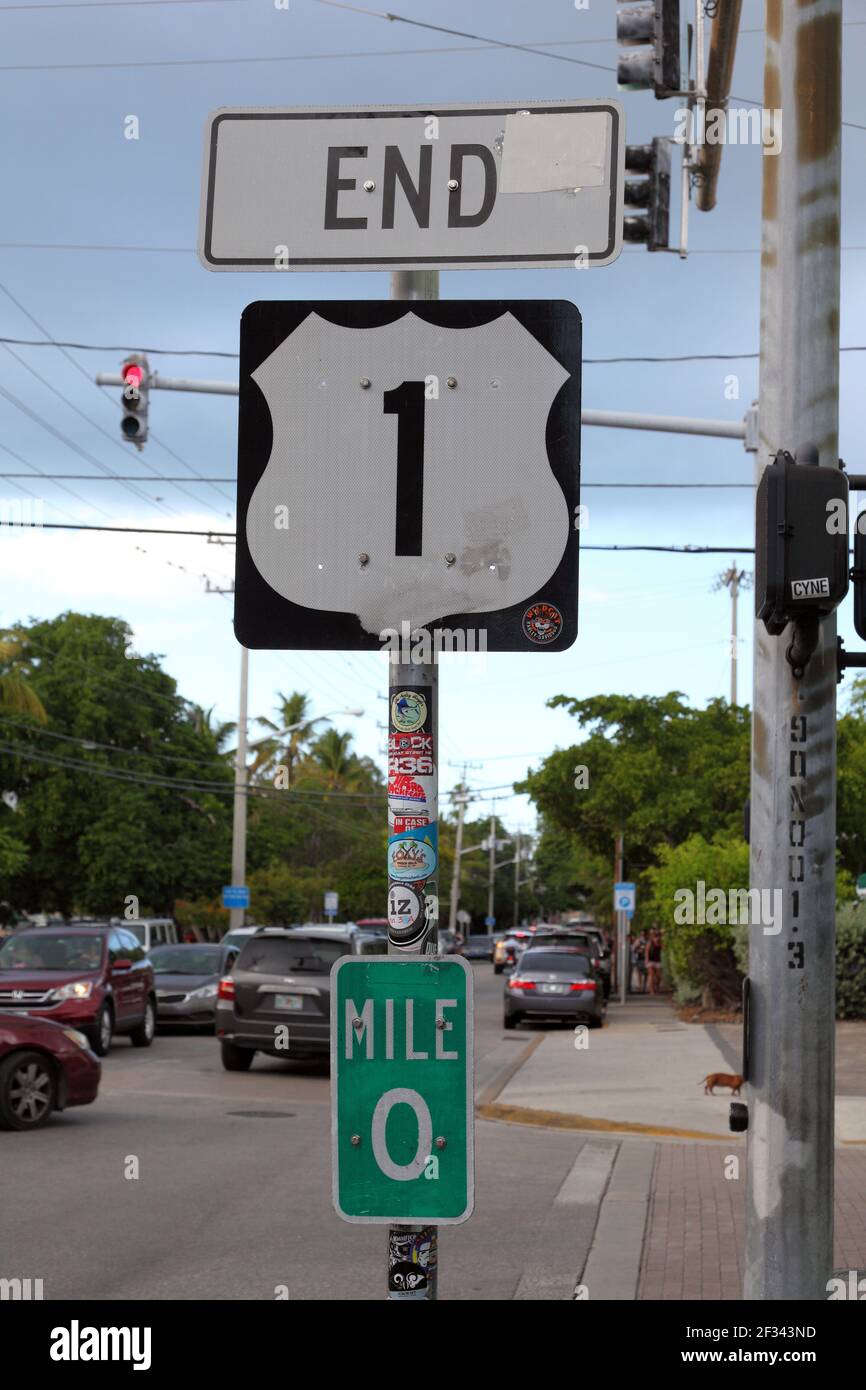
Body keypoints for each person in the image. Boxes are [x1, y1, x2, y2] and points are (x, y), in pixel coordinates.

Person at [645, 928, 663, 995]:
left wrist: (659, 942)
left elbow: (663, 948)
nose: (657, 937)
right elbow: (646, 951)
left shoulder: (660, 942)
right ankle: (651, 990)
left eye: (658, 936)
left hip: (657, 960)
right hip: (650, 960)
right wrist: (646, 960)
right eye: (655, 936)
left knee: (659, 976)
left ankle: (657, 987)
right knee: (651, 975)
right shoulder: (650, 943)